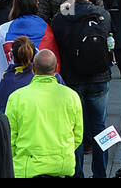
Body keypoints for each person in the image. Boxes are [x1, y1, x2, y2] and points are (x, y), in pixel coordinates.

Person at [49, 0, 113, 178]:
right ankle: (100, 172)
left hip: (72, 78)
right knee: (99, 126)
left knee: (74, 128)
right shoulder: (102, 15)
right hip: (99, 77)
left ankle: (76, 172)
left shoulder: (62, 17)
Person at [5, 49, 83, 178]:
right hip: (61, 166)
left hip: (27, 167)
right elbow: (78, 135)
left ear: (33, 68)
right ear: (56, 68)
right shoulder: (71, 96)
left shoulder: (17, 97)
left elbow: (9, 136)